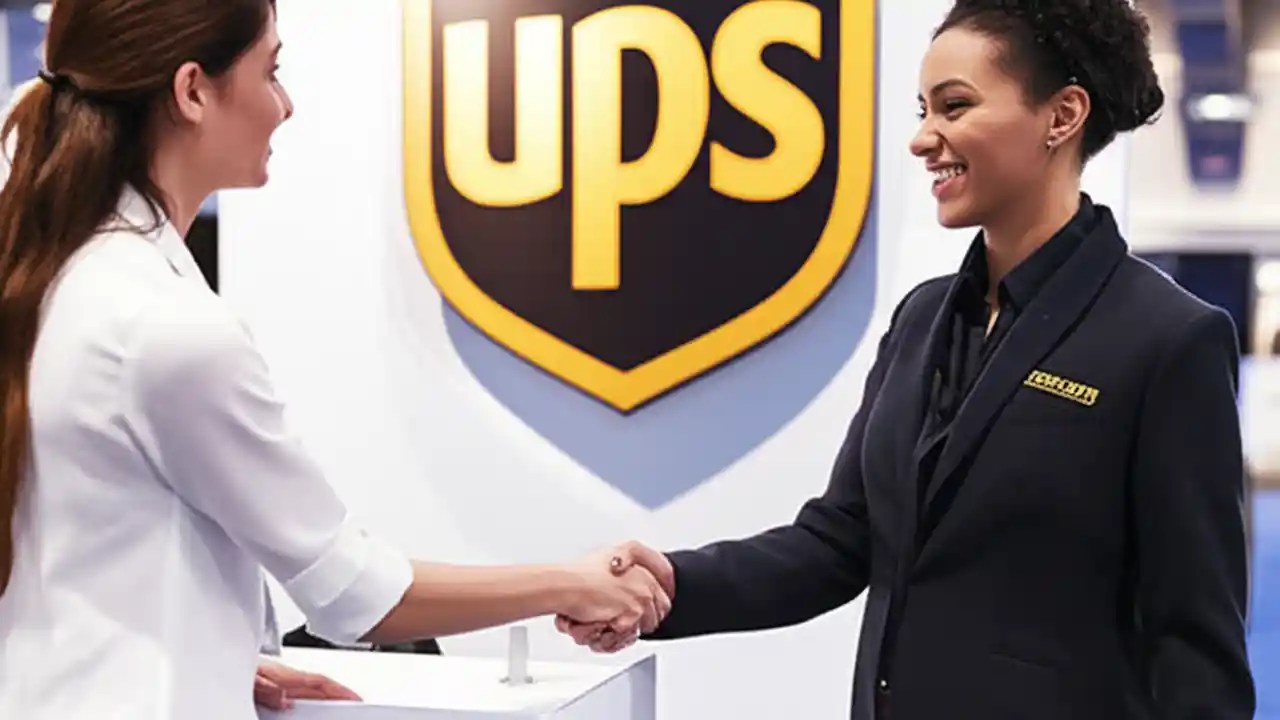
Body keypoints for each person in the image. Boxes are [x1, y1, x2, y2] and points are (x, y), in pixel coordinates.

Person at [559, 1, 1257, 718]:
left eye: (954, 106)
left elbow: (1195, 645)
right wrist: (666, 585)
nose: (924, 139)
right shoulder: (923, 319)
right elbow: (839, 541)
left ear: (1062, 115)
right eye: (923, 109)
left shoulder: (1168, 340)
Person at [0, 2, 669, 718]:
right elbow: (357, 595)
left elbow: (78, 555)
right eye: (272, 71)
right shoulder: (165, 329)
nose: (284, 106)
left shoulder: (59, 282)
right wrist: (573, 582)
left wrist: (215, 652)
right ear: (193, 91)